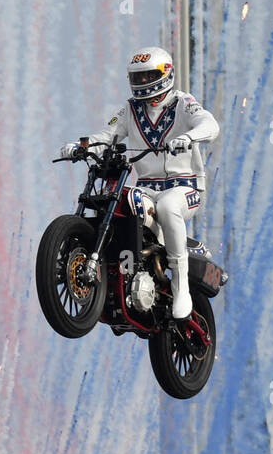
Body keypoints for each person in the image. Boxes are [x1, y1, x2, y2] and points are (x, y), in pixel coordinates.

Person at [61, 45, 220, 320]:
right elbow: (107, 134)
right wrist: (81, 146)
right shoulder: (130, 110)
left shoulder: (183, 103)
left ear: (165, 73)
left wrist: (190, 138)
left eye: (148, 76)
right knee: (124, 200)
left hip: (185, 188)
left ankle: (181, 286)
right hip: (147, 187)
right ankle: (128, 271)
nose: (143, 82)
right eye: (138, 77)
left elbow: (210, 125)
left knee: (169, 205)